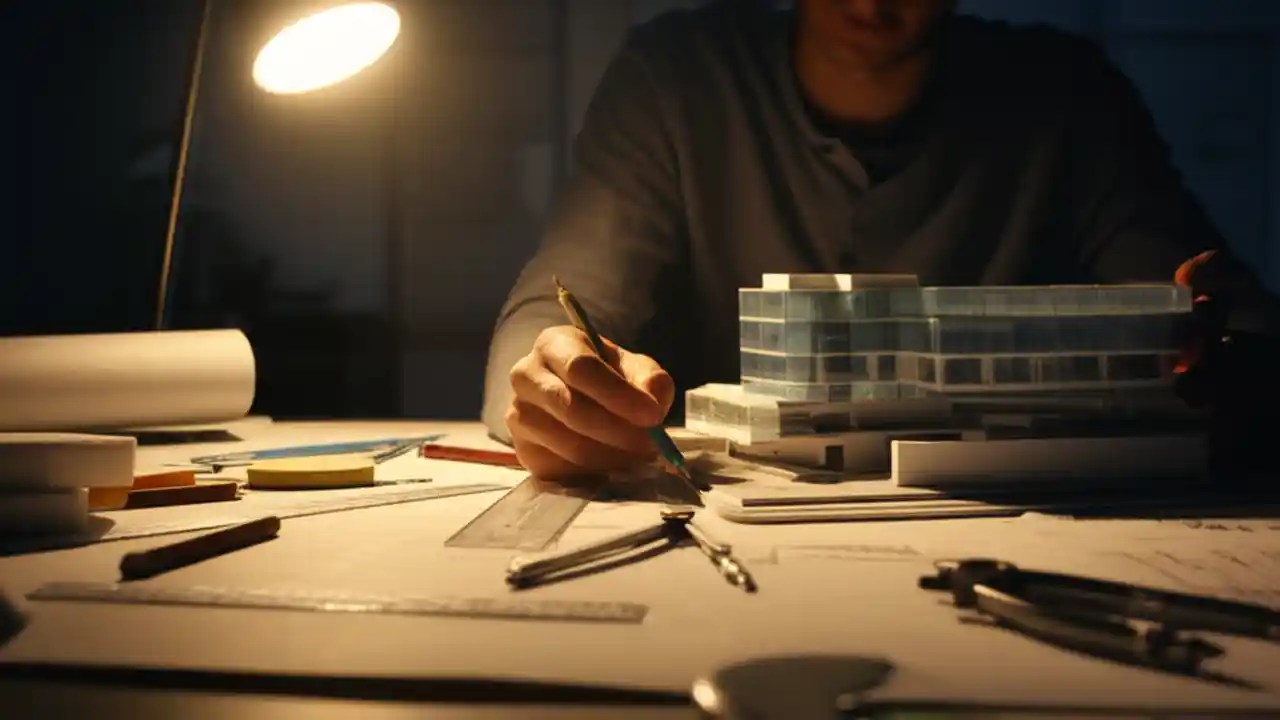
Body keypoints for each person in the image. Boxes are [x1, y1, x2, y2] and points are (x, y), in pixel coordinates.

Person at [482, 0, 1277, 479]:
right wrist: (556, 382)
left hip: (1006, 528)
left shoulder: (1066, 93)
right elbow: (554, 305)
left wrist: (1229, 351)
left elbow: (1216, 314)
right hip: (727, 534)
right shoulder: (675, 76)